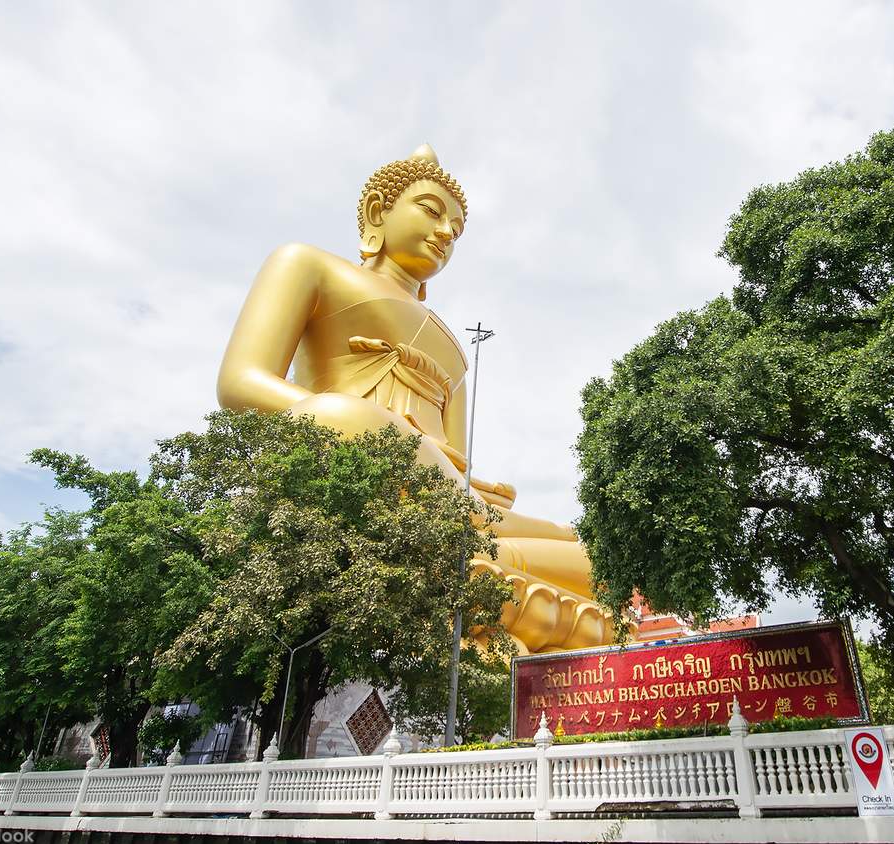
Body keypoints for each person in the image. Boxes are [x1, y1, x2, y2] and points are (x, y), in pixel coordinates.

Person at [217, 144, 612, 653]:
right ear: (380, 211)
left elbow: (455, 464)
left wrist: (474, 486)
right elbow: (240, 383)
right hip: (352, 460)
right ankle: (482, 570)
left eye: (457, 228)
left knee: (593, 553)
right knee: (344, 415)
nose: (446, 232)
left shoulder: (454, 350)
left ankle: (483, 564)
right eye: (431, 211)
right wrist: (373, 428)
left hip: (447, 500)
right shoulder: (308, 264)